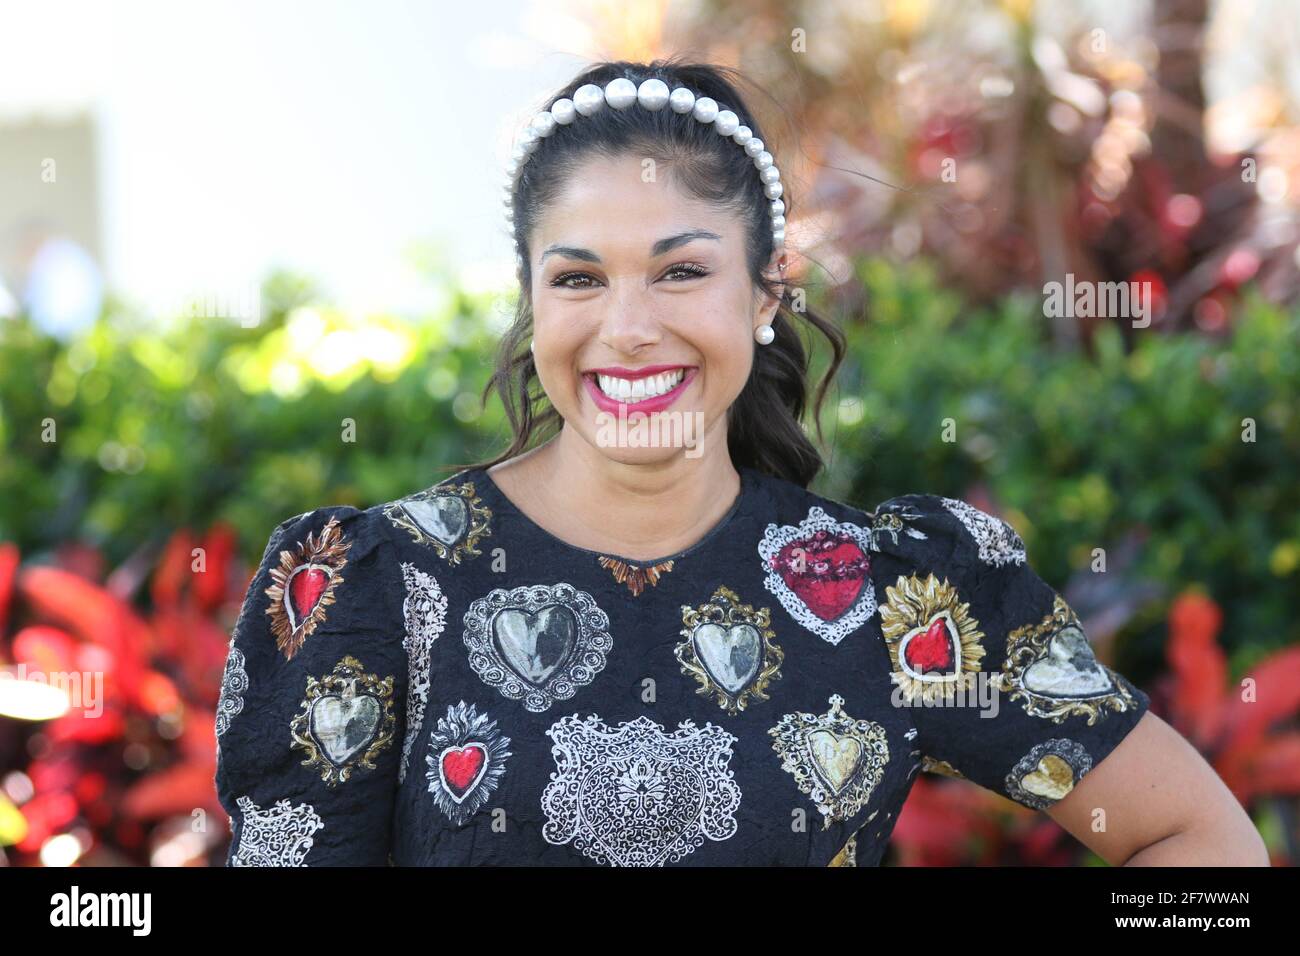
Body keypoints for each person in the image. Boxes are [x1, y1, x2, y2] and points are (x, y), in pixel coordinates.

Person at [213, 58, 1268, 867]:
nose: (626, 328)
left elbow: (1196, 841)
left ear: (766, 293)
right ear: (532, 300)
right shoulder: (380, 587)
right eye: (578, 280)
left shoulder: (893, 596)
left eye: (680, 270)